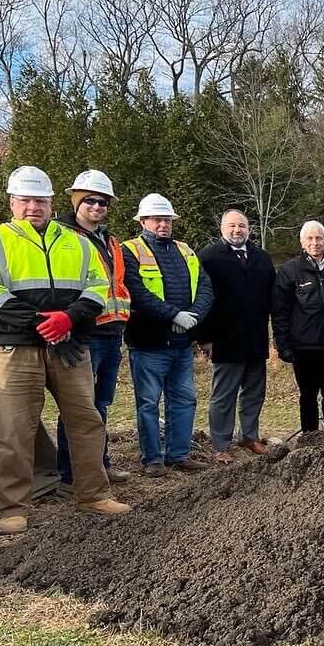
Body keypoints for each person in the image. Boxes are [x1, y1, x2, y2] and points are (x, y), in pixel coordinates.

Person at [0, 165, 130, 534]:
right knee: (14, 429)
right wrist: (41, 321)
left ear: (51, 201)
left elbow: (99, 285)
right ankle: (13, 508)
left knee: (86, 420)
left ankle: (93, 494)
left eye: (40, 200)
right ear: (12, 202)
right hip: (16, 345)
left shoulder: (76, 241)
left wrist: (69, 319)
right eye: (25, 200)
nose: (33, 207)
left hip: (70, 343)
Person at [122, 193, 214, 476]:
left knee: (184, 399)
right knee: (149, 403)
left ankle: (178, 454)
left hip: (181, 343)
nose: (163, 224)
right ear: (143, 221)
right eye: (156, 219)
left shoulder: (185, 250)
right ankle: (152, 459)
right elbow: (136, 293)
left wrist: (191, 318)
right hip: (148, 343)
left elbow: (205, 288)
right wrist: (173, 315)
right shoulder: (130, 251)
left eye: (167, 220)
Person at [55, 170, 132, 488]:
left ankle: (99, 463)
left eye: (103, 202)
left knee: (101, 404)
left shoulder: (110, 240)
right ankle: (68, 472)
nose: (97, 207)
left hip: (111, 331)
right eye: (90, 200)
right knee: (78, 405)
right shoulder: (62, 237)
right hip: (83, 333)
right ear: (76, 201)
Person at [196, 210, 276, 463]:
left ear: (248, 229)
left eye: (241, 226)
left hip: (256, 338)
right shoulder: (209, 257)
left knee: (254, 392)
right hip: (224, 339)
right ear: (222, 228)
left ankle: (249, 436)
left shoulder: (261, 258)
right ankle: (221, 444)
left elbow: (272, 298)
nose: (237, 230)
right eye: (231, 226)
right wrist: (204, 338)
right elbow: (201, 299)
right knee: (224, 395)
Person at [272, 220, 324, 433]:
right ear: (302, 242)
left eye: (319, 238)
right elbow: (280, 310)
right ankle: (309, 439)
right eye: (310, 239)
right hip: (303, 346)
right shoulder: (289, 270)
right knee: (308, 395)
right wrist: (282, 343)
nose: (315, 242)